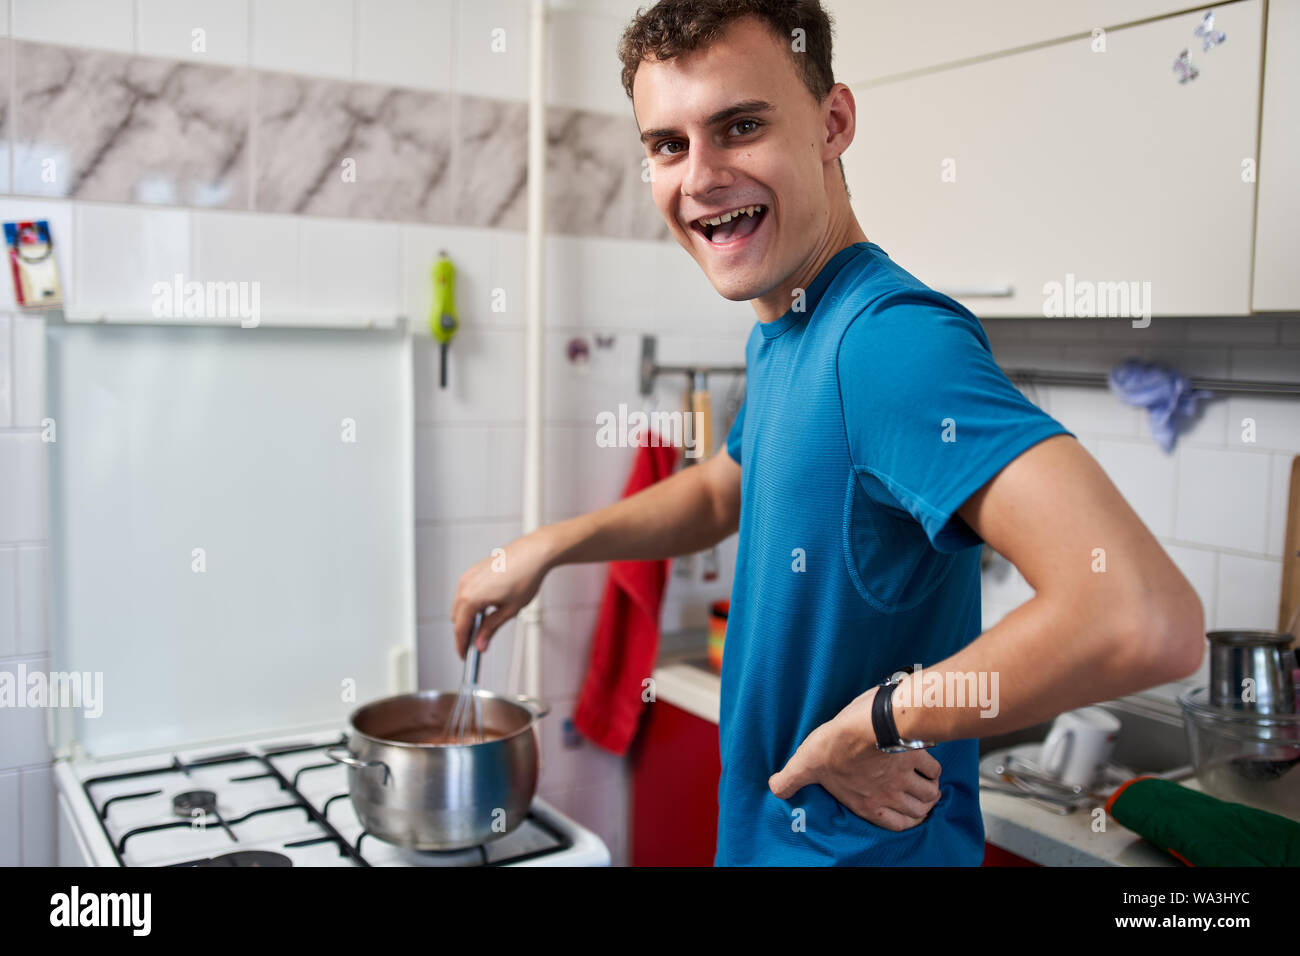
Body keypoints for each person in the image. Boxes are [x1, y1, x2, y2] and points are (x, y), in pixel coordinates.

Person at [450, 0, 1204, 865]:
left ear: (833, 123)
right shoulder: (788, 327)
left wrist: (878, 719)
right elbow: (724, 486)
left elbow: (1142, 615)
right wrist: (544, 547)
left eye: (739, 126)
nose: (700, 176)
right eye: (668, 144)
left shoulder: (886, 343)